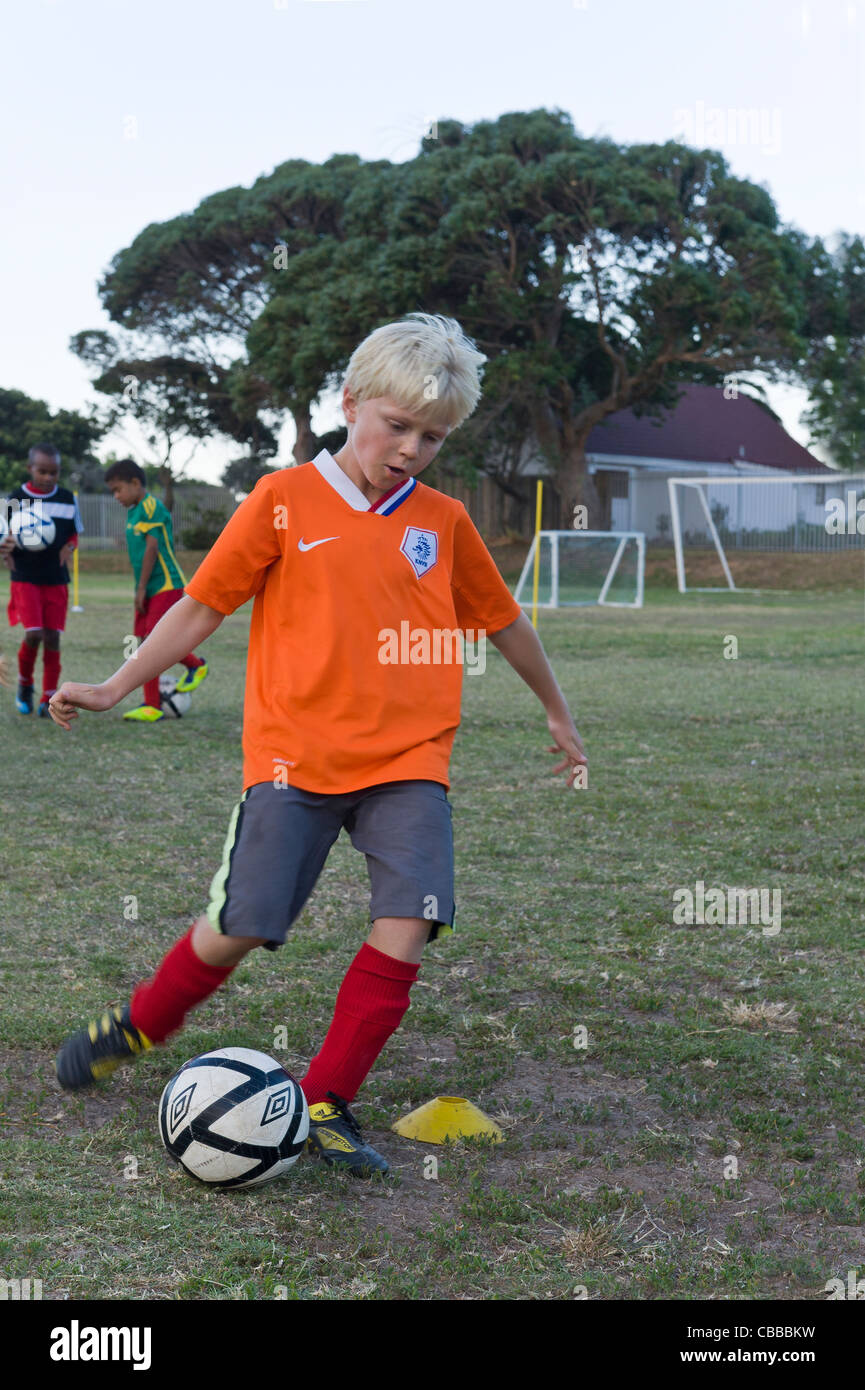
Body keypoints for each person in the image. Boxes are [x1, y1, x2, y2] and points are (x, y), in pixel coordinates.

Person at [49, 313, 587, 1178]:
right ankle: (143, 1022)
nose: (411, 447)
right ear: (349, 403)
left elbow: (504, 621)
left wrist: (556, 711)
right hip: (292, 762)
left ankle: (328, 1100)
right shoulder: (281, 499)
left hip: (409, 762)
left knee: (410, 915)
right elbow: (201, 606)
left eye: (433, 436)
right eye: (397, 425)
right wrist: (115, 685)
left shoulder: (442, 524)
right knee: (243, 927)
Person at [103, 459, 208, 721]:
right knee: (142, 644)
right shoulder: (133, 511)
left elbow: (151, 549)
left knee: (154, 641)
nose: (116, 496)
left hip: (165, 584)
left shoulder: (152, 507)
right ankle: (192, 668)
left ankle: (154, 703)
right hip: (147, 588)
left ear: (135, 483)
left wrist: (141, 589)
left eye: (118, 490)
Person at [1, 443, 83, 717]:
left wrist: (68, 548)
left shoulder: (67, 499)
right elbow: (3, 536)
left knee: (53, 639)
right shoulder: (15, 499)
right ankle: (25, 683)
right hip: (25, 576)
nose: (48, 477)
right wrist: (5, 548)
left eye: (54, 472)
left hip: (56, 577)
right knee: (33, 633)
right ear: (30, 469)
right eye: (42, 471)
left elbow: (74, 534)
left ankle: (49, 697)